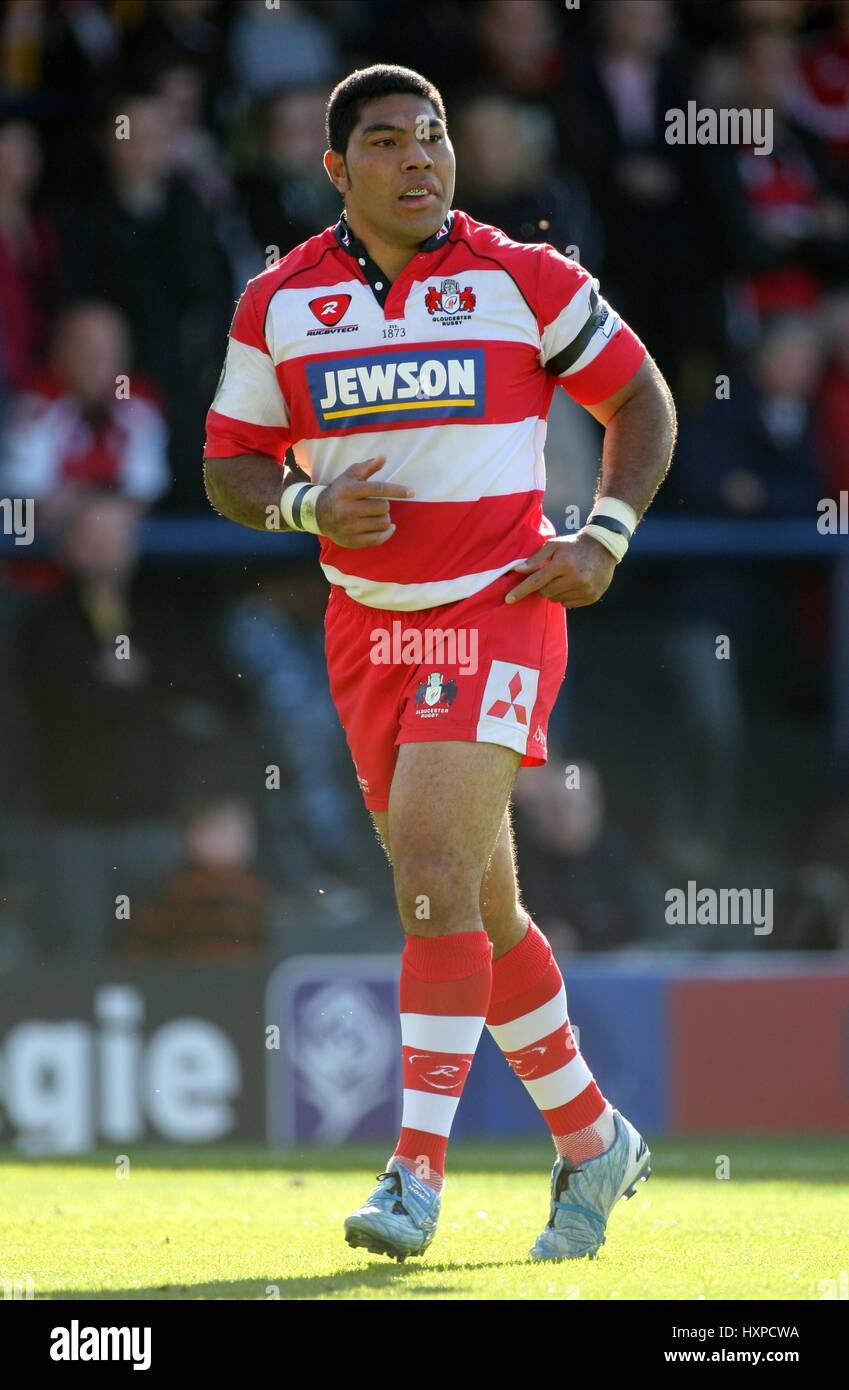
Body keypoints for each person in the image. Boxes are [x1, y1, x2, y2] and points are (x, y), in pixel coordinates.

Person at [203, 65, 675, 1264]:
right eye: (388, 141)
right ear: (336, 170)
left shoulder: (527, 279)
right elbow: (229, 467)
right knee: (476, 904)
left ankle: (414, 1174)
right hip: (366, 629)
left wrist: (606, 537)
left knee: (425, 870)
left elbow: (645, 405)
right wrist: (306, 504)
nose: (420, 157)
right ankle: (592, 1138)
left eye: (434, 136)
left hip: (500, 607)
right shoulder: (277, 303)